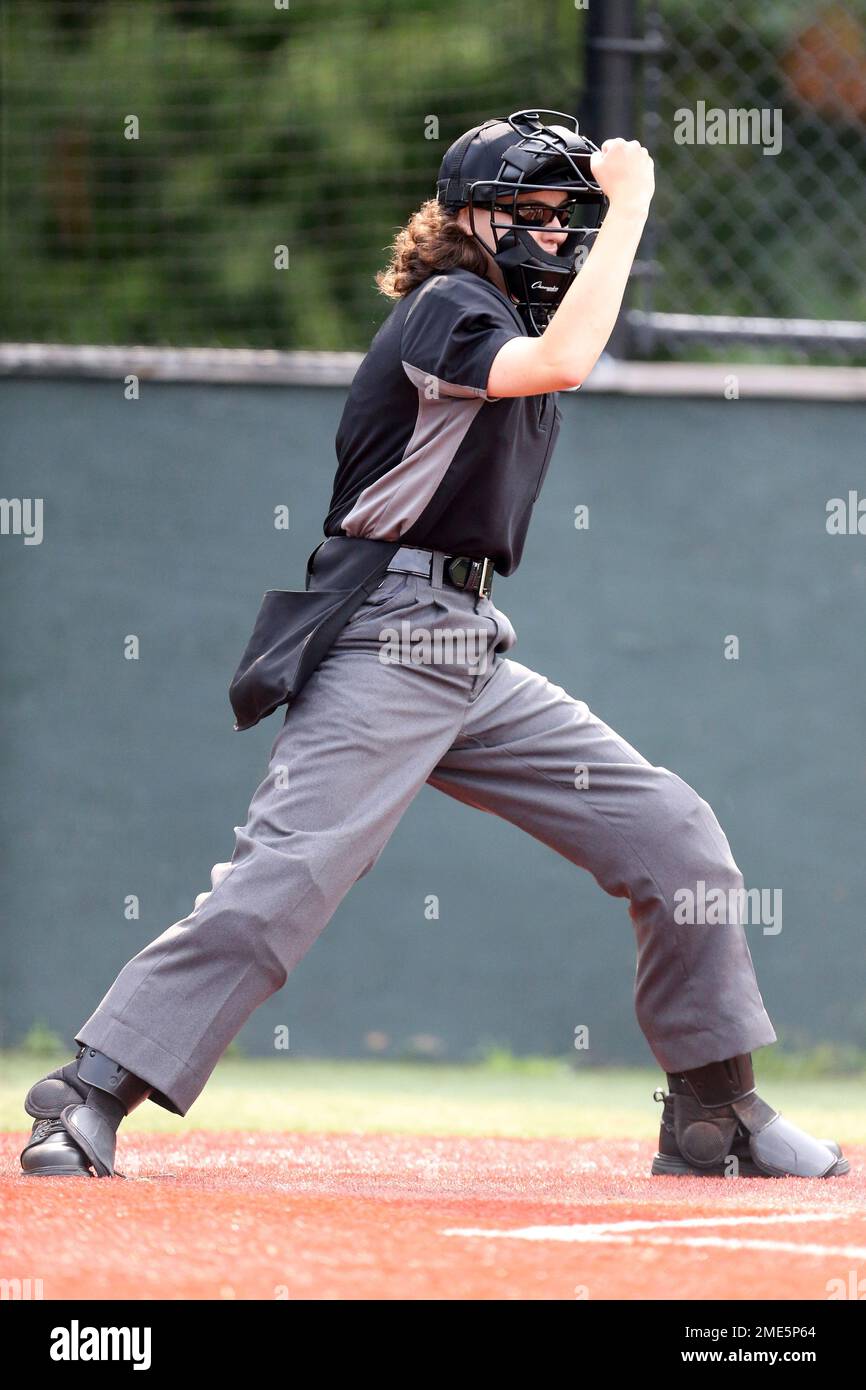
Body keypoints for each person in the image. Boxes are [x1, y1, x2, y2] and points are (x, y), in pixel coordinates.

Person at [20, 111, 847, 1181]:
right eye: (536, 214)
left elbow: (556, 353)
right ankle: (85, 1093)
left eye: (571, 218)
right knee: (286, 878)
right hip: (387, 638)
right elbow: (561, 361)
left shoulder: (496, 310)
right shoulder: (446, 307)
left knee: (675, 840)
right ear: (468, 219)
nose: (560, 236)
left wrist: (608, 220)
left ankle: (713, 1113)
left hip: (466, 648)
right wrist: (634, 199)